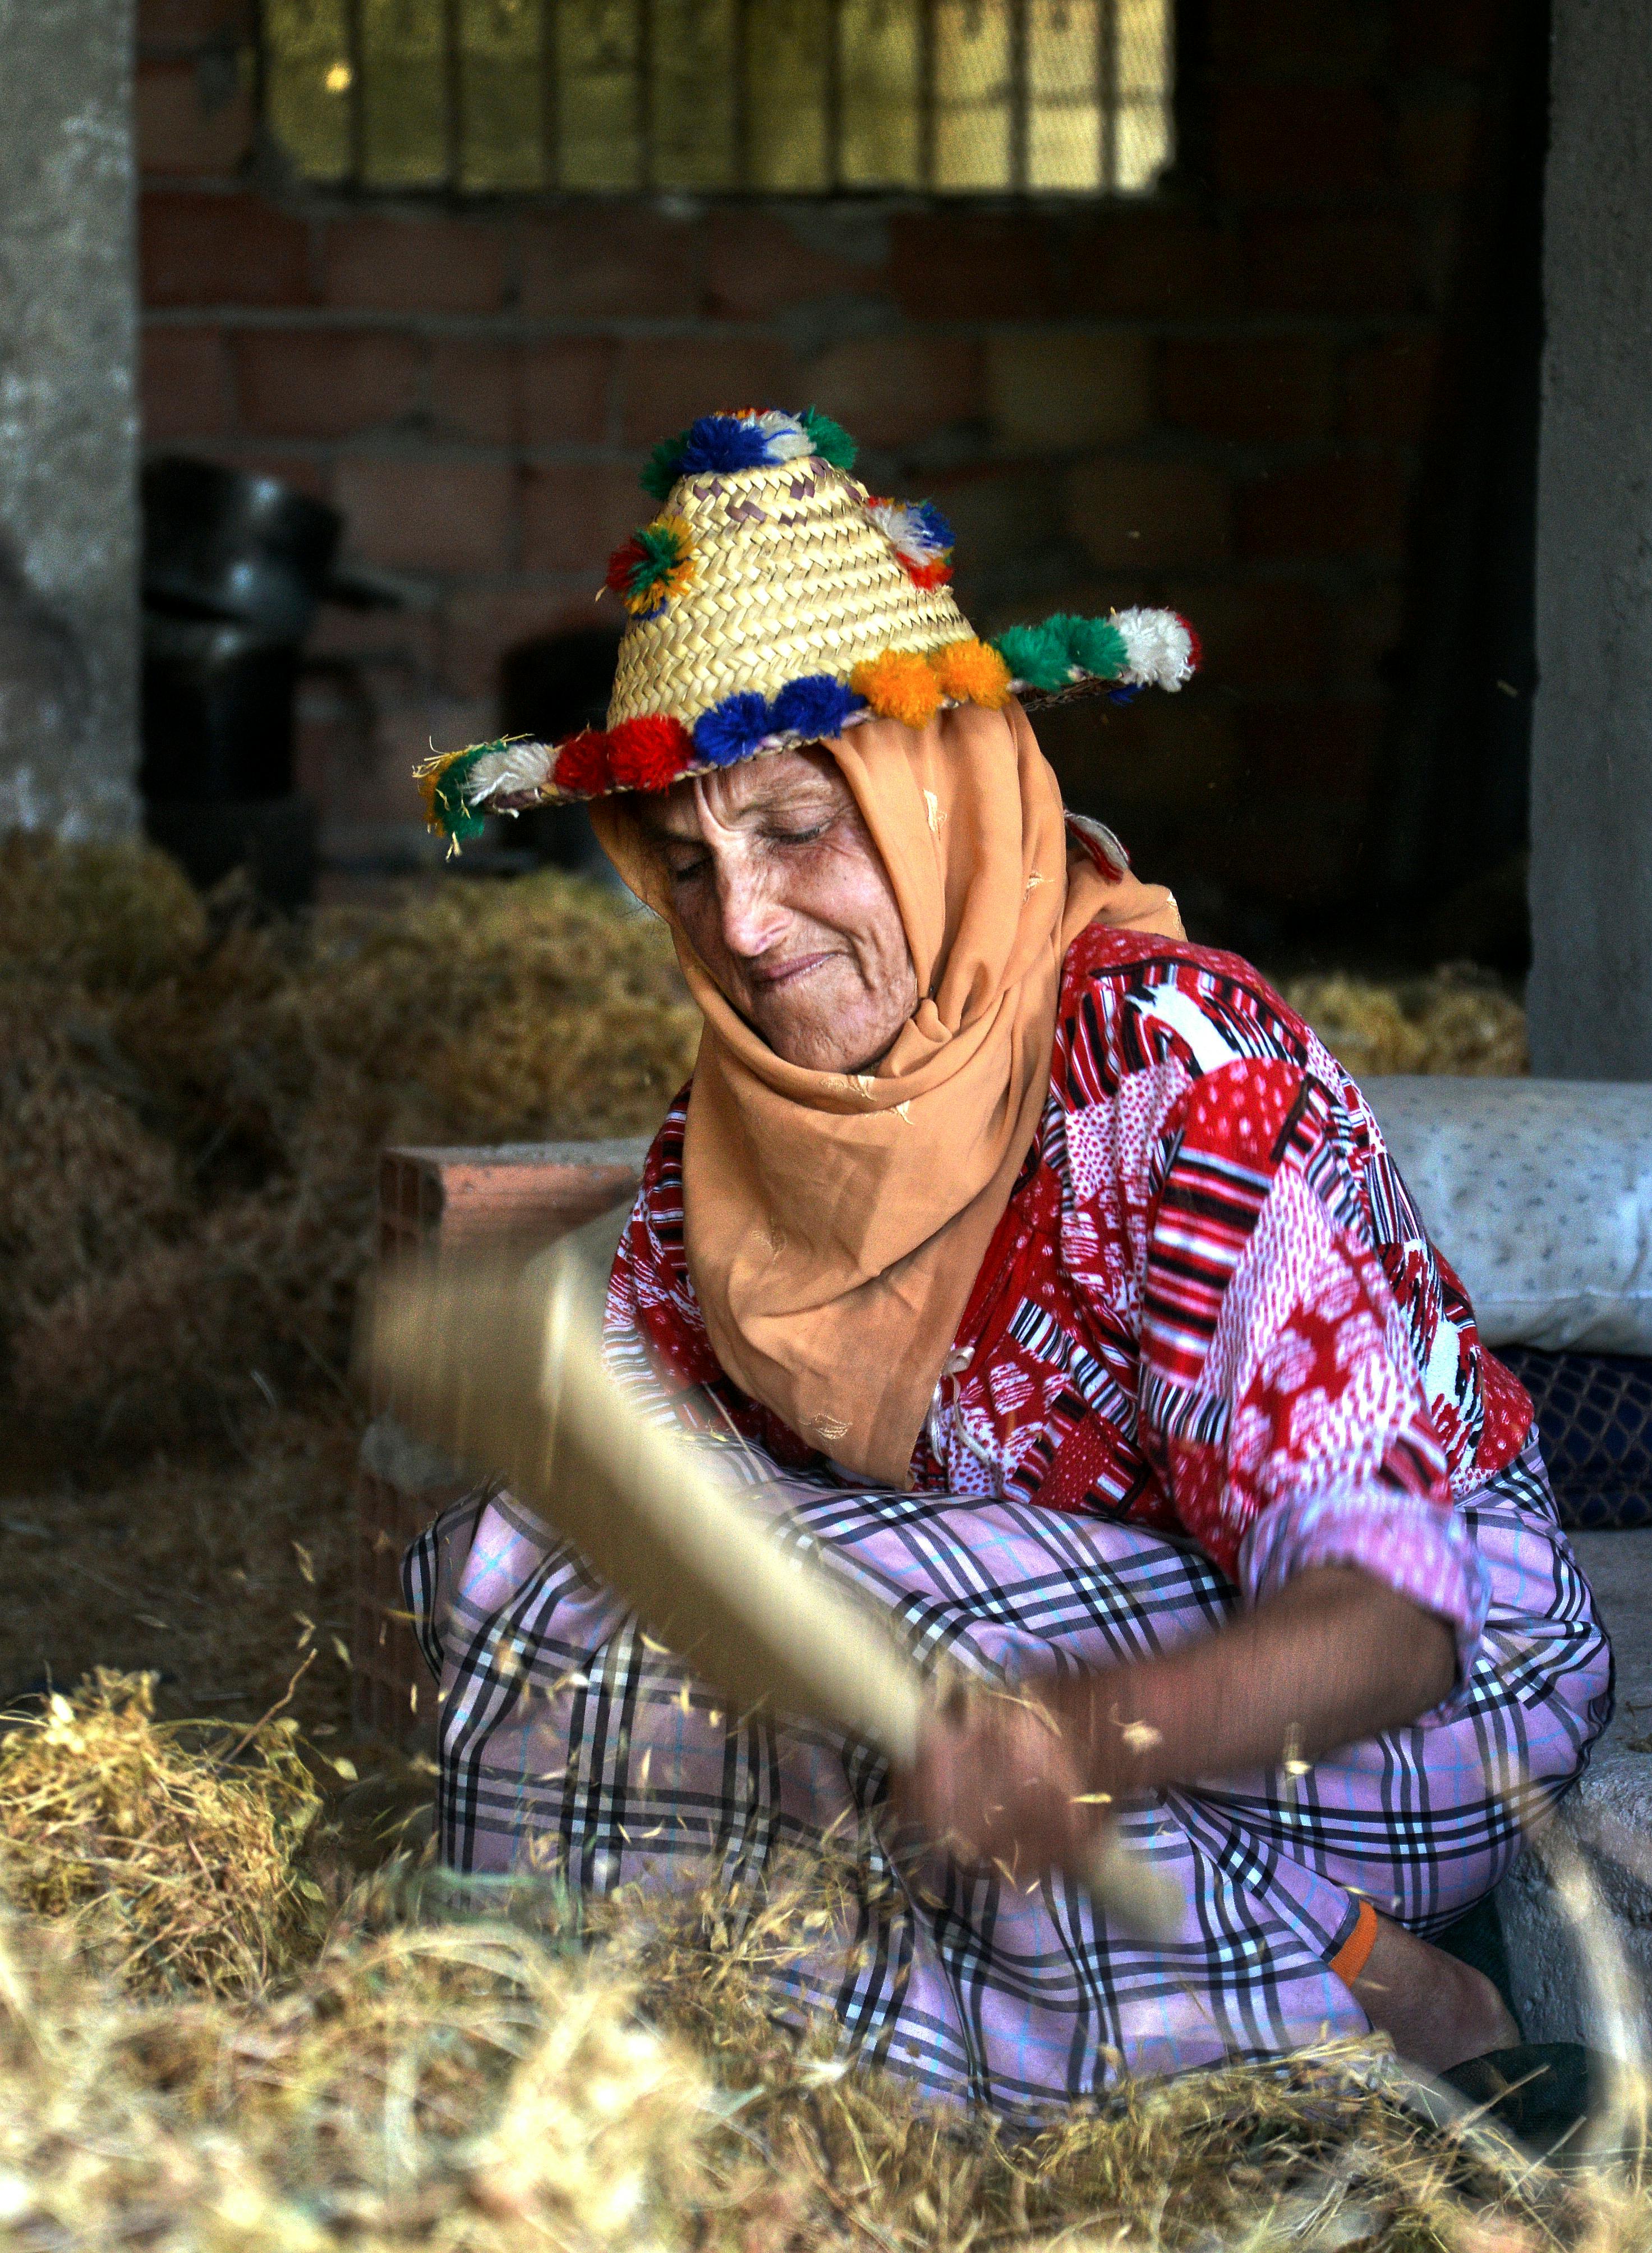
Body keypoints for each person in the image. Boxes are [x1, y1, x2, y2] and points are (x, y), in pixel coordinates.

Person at [409, 407, 1610, 2113]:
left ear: (936, 801)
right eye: (686, 866)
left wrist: (1085, 1736)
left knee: (855, 1642)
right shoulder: (741, 1131)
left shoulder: (1174, 1074)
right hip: (1012, 1673)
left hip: (1374, 1708)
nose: (739, 928)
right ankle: (619, 2109)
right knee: (516, 1580)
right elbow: (645, 1507)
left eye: (796, 831)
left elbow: (1390, 1624)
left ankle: (1381, 2007)